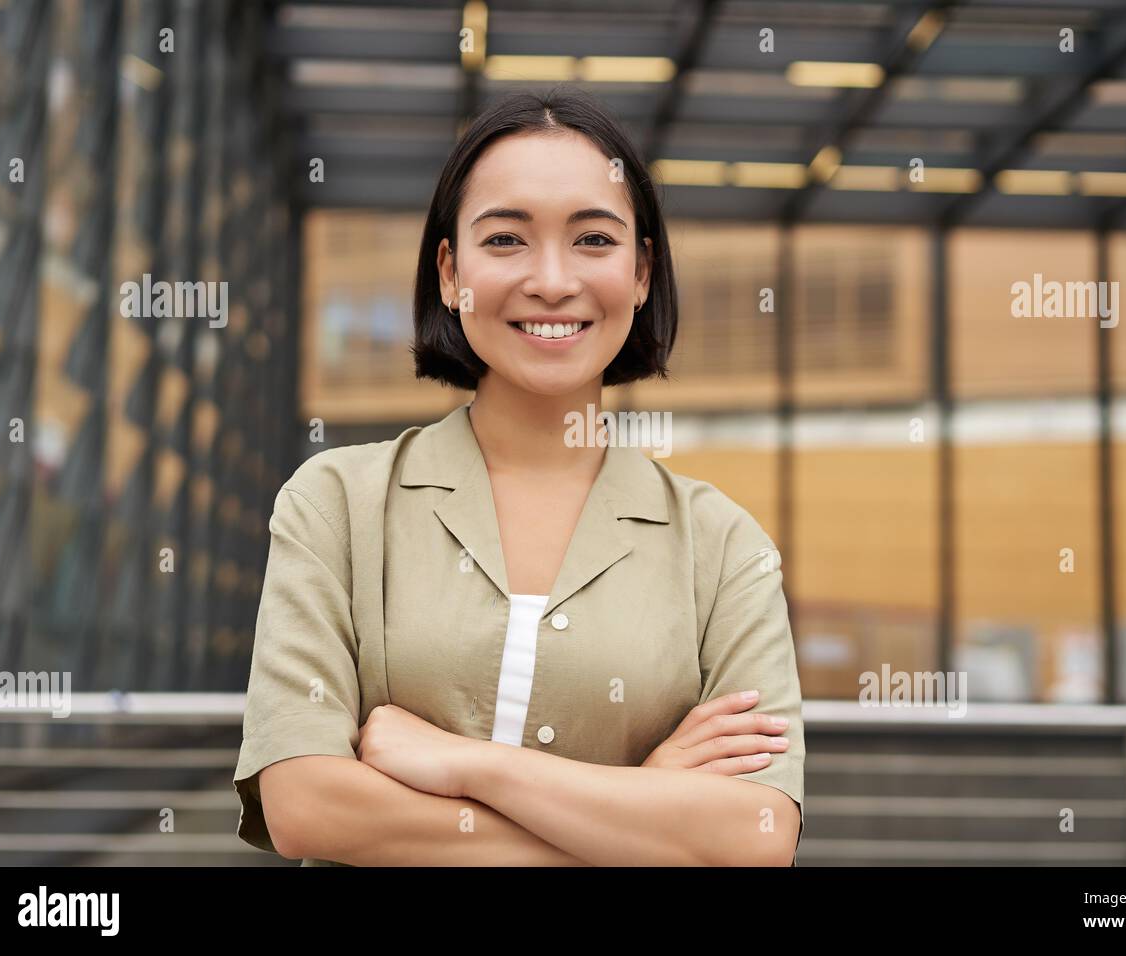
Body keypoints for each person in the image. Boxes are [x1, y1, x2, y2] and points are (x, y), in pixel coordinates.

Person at [233, 86, 805, 866]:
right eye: (505, 240)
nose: (551, 280)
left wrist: (472, 766)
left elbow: (756, 836)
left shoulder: (724, 547)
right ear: (449, 271)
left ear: (641, 274)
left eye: (594, 241)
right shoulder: (335, 505)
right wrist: (643, 803)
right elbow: (304, 804)